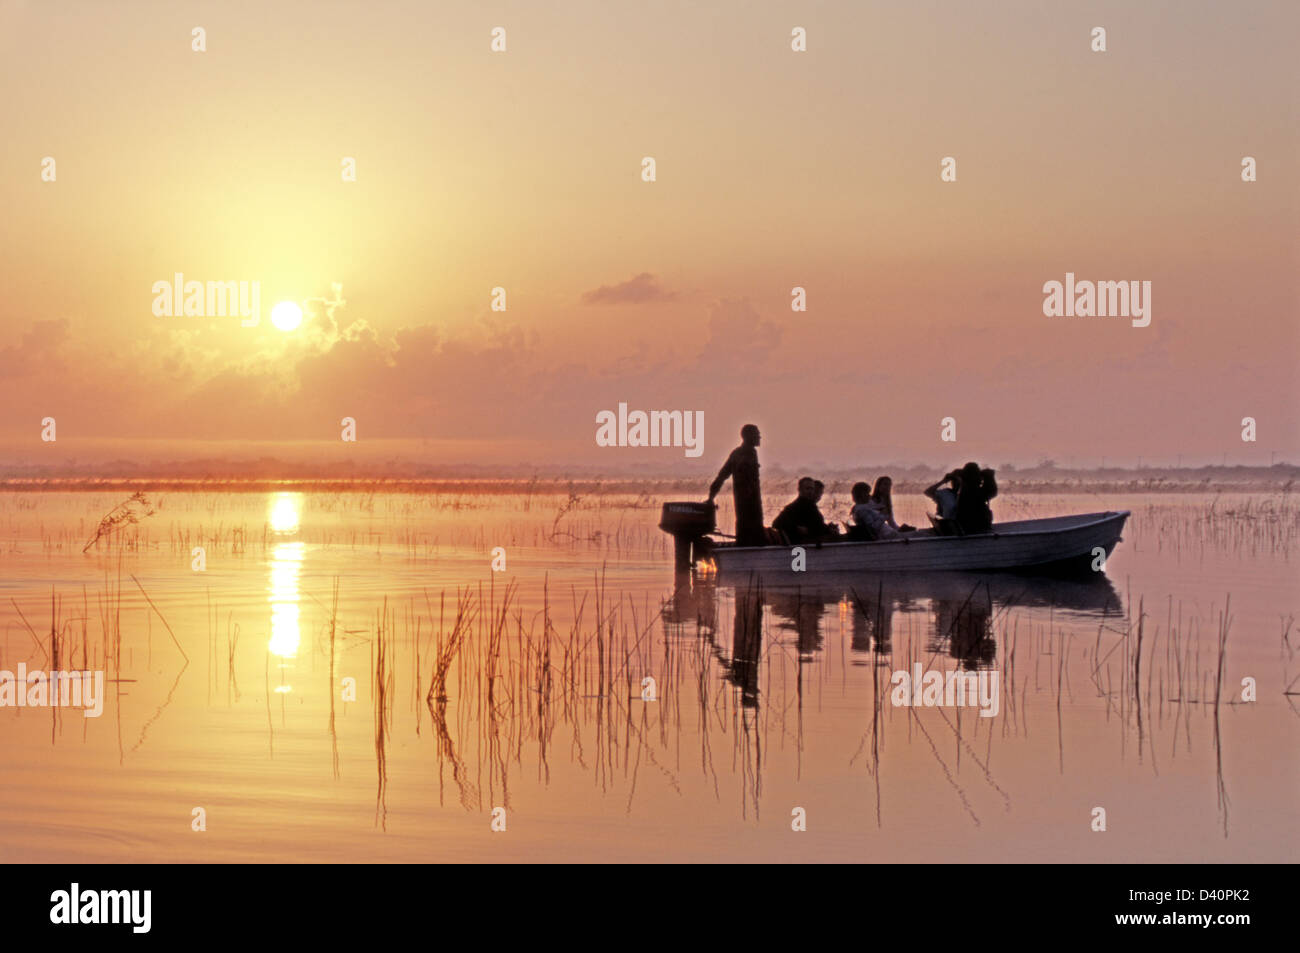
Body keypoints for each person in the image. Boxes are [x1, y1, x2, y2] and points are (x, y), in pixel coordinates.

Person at [707, 424, 765, 546]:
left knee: (744, 533)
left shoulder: (736, 453)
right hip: (750, 505)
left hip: (743, 504)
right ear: (748, 436)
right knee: (754, 537)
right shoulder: (749, 453)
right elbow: (744, 477)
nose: (760, 437)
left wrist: (711, 497)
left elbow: (721, 477)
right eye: (757, 434)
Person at [772, 476, 835, 544]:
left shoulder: (808, 505)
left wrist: (828, 528)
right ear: (800, 489)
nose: (810, 492)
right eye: (807, 489)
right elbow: (776, 524)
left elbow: (817, 525)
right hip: (805, 544)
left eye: (812, 489)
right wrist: (796, 529)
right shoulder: (797, 507)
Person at [954, 461, 997, 534]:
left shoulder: (966, 488)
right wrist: (989, 477)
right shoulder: (971, 489)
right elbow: (992, 492)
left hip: (970, 527)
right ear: (973, 476)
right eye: (978, 475)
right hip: (975, 529)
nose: (980, 478)